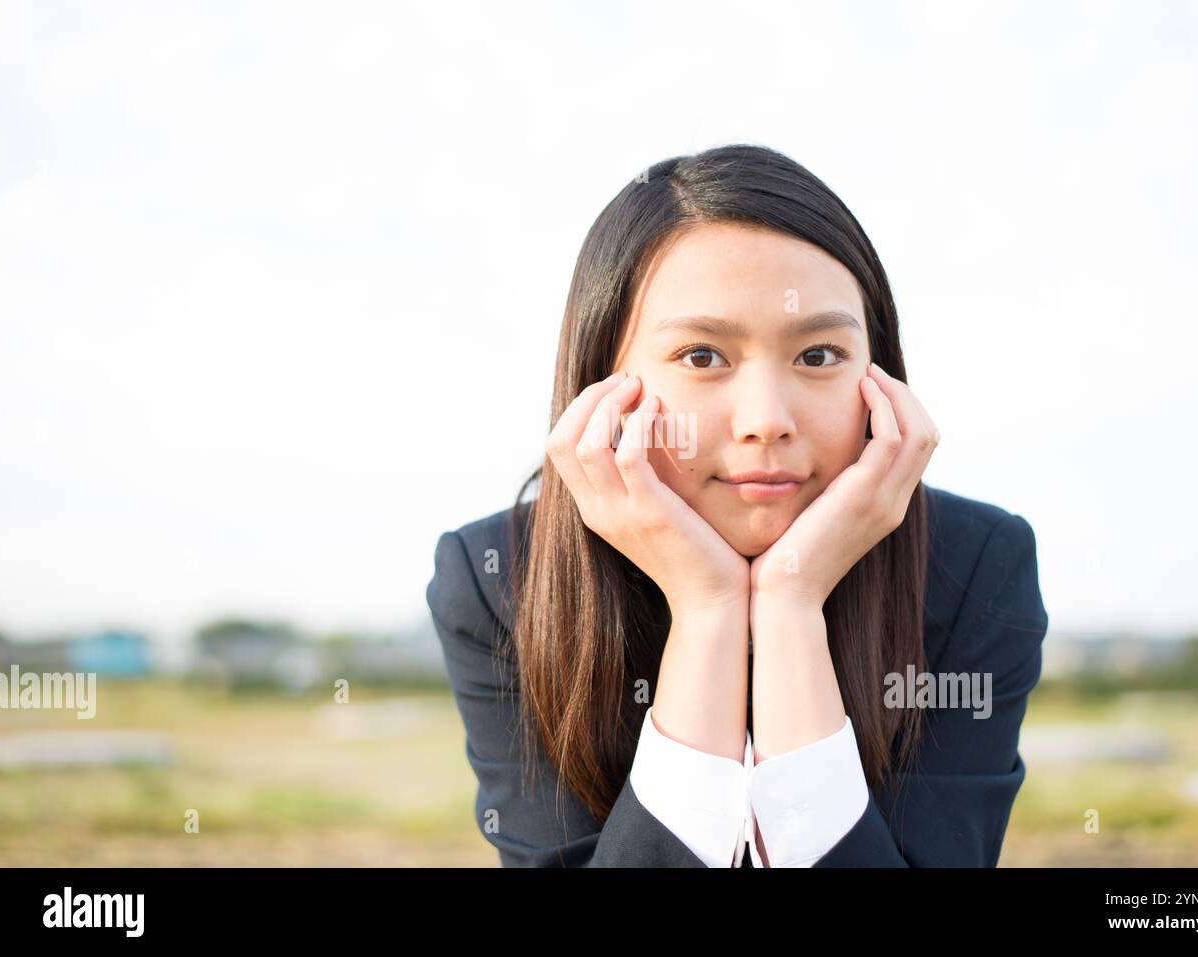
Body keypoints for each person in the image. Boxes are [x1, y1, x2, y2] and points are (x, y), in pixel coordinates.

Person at [426, 143, 1049, 867]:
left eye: (818, 355)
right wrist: (709, 608)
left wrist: (789, 605)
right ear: (603, 383)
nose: (766, 419)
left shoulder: (974, 566)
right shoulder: (501, 579)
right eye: (701, 356)